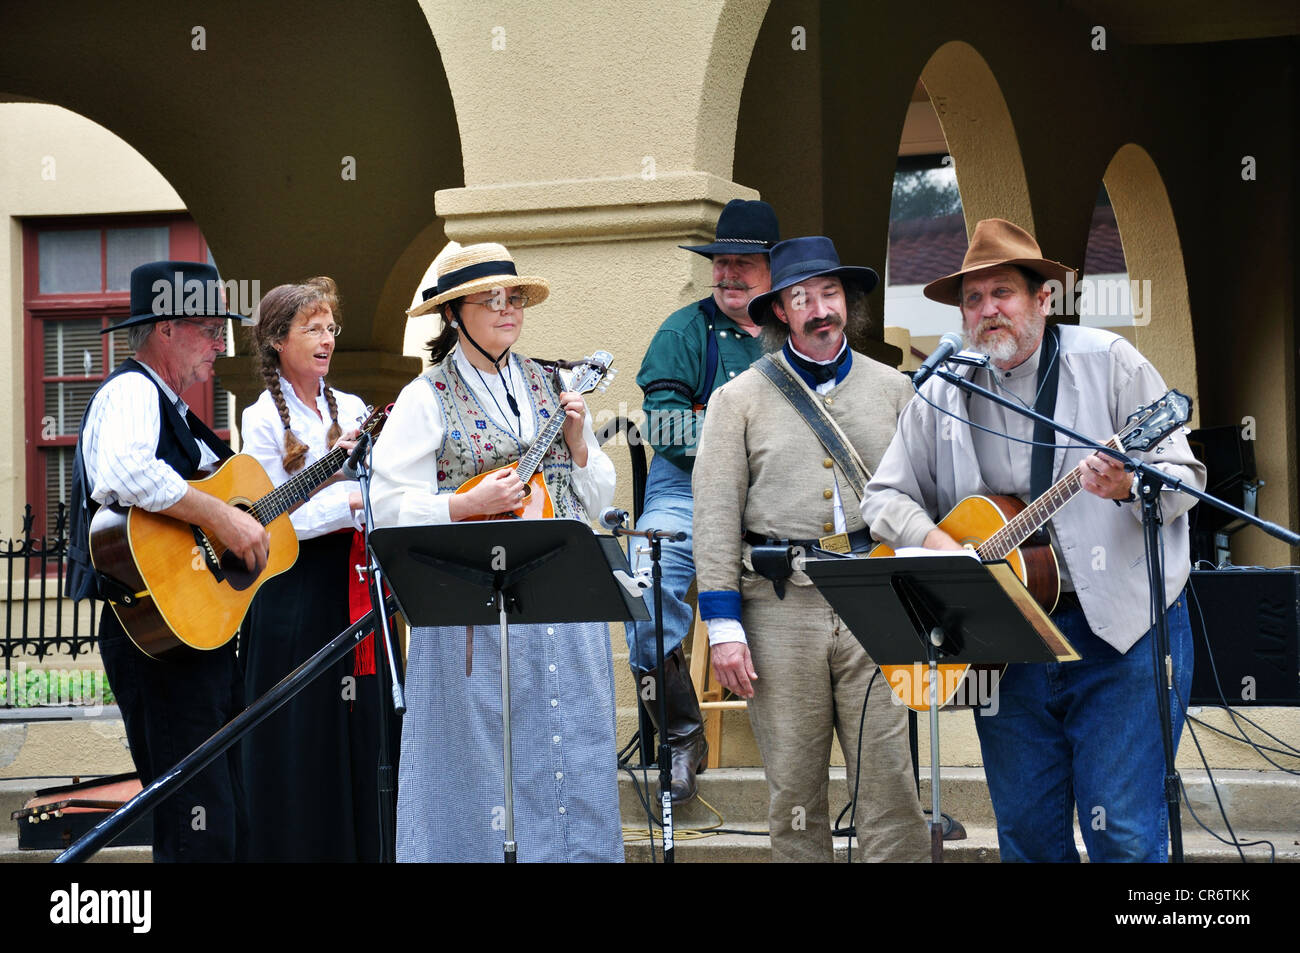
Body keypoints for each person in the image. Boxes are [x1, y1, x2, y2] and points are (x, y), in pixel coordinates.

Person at [861, 218, 1206, 862]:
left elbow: (1186, 481)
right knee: (1026, 840)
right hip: (1006, 639)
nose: (987, 310)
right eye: (973, 299)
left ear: (1043, 298)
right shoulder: (944, 386)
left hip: (1119, 633)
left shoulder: (1108, 362)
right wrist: (941, 546)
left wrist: (1130, 485)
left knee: (1124, 837)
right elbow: (882, 498)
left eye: (1002, 293)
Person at [370, 241, 623, 862]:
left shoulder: (554, 383)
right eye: (491, 300)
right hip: (472, 616)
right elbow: (386, 504)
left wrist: (580, 444)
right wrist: (462, 505)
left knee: (569, 754)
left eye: (514, 299)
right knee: (477, 761)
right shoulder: (426, 395)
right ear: (454, 314)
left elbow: (596, 496)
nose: (508, 311)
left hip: (562, 601)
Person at [693, 236, 930, 863]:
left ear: (848, 304)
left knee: (890, 787)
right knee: (794, 793)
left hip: (878, 599)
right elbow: (715, 515)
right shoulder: (736, 399)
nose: (820, 309)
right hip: (777, 604)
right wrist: (722, 627)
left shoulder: (896, 390)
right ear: (780, 312)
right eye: (803, 298)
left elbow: (923, 500)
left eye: (831, 295)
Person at [66, 260, 267, 862]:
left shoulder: (181, 414)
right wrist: (218, 516)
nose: (219, 346)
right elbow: (122, 472)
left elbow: (236, 493)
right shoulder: (131, 390)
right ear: (167, 330)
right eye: (210, 330)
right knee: (195, 821)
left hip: (192, 634)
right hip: (155, 638)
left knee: (224, 812)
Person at [239, 276, 393, 862]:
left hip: (355, 582)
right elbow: (275, 519)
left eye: (332, 329)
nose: (327, 339)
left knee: (360, 723)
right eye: (313, 329)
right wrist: (349, 499)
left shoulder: (352, 408)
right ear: (279, 340)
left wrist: (357, 494)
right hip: (295, 592)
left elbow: (381, 486)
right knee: (305, 733)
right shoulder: (258, 419)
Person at [630, 198, 778, 801]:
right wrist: (742, 439)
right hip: (685, 491)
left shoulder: (792, 331)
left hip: (776, 494)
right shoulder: (682, 331)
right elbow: (664, 430)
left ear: (775, 272)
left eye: (744, 262)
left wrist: (711, 420)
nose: (728, 273)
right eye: (720, 261)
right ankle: (683, 734)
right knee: (643, 581)